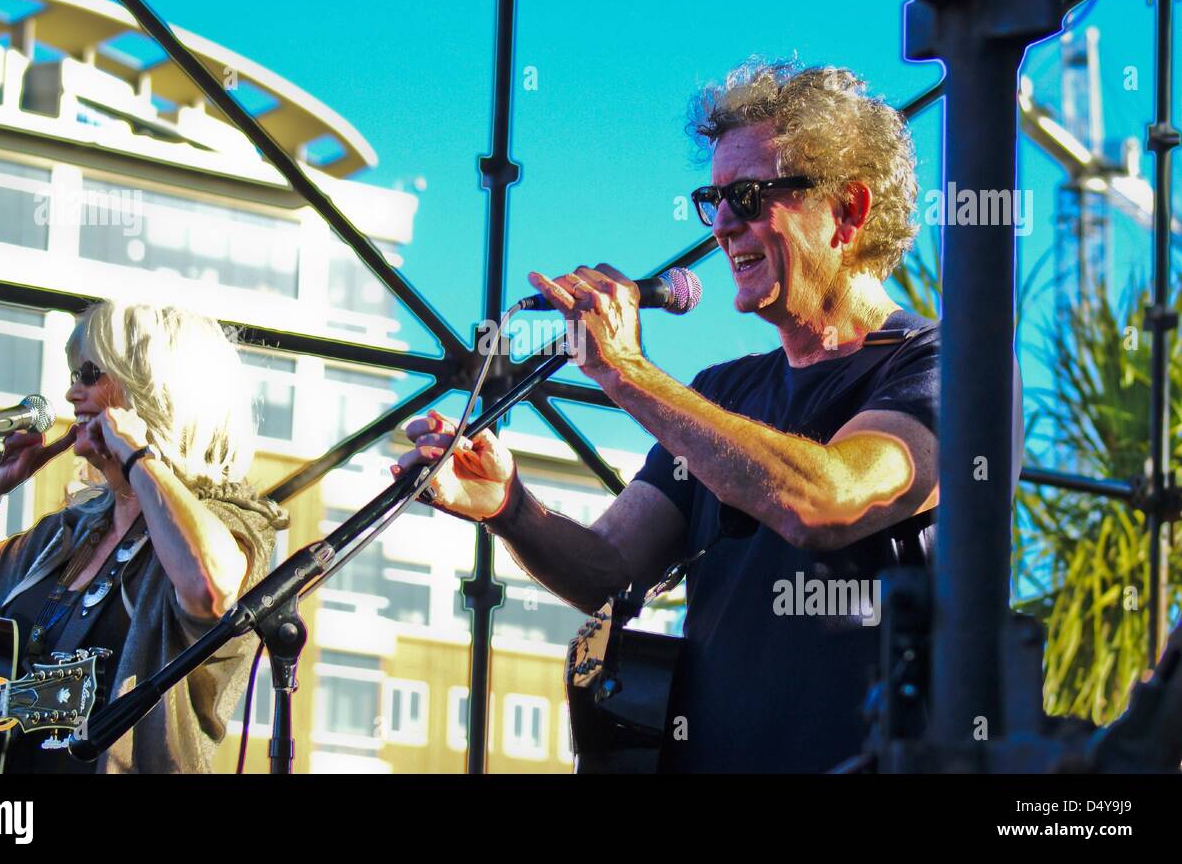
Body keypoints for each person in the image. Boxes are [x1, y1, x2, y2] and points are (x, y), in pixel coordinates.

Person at [394, 60, 947, 772]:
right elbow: (610, 567)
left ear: (848, 211)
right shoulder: (722, 391)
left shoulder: (944, 365)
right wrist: (510, 507)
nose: (721, 223)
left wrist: (627, 371)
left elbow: (826, 500)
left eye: (747, 196)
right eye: (711, 198)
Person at [0, 300, 288, 773]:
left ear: (155, 392)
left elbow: (208, 587)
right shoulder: (69, 531)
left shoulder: (228, 522)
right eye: (74, 375)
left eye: (91, 374)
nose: (72, 392)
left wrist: (138, 454)